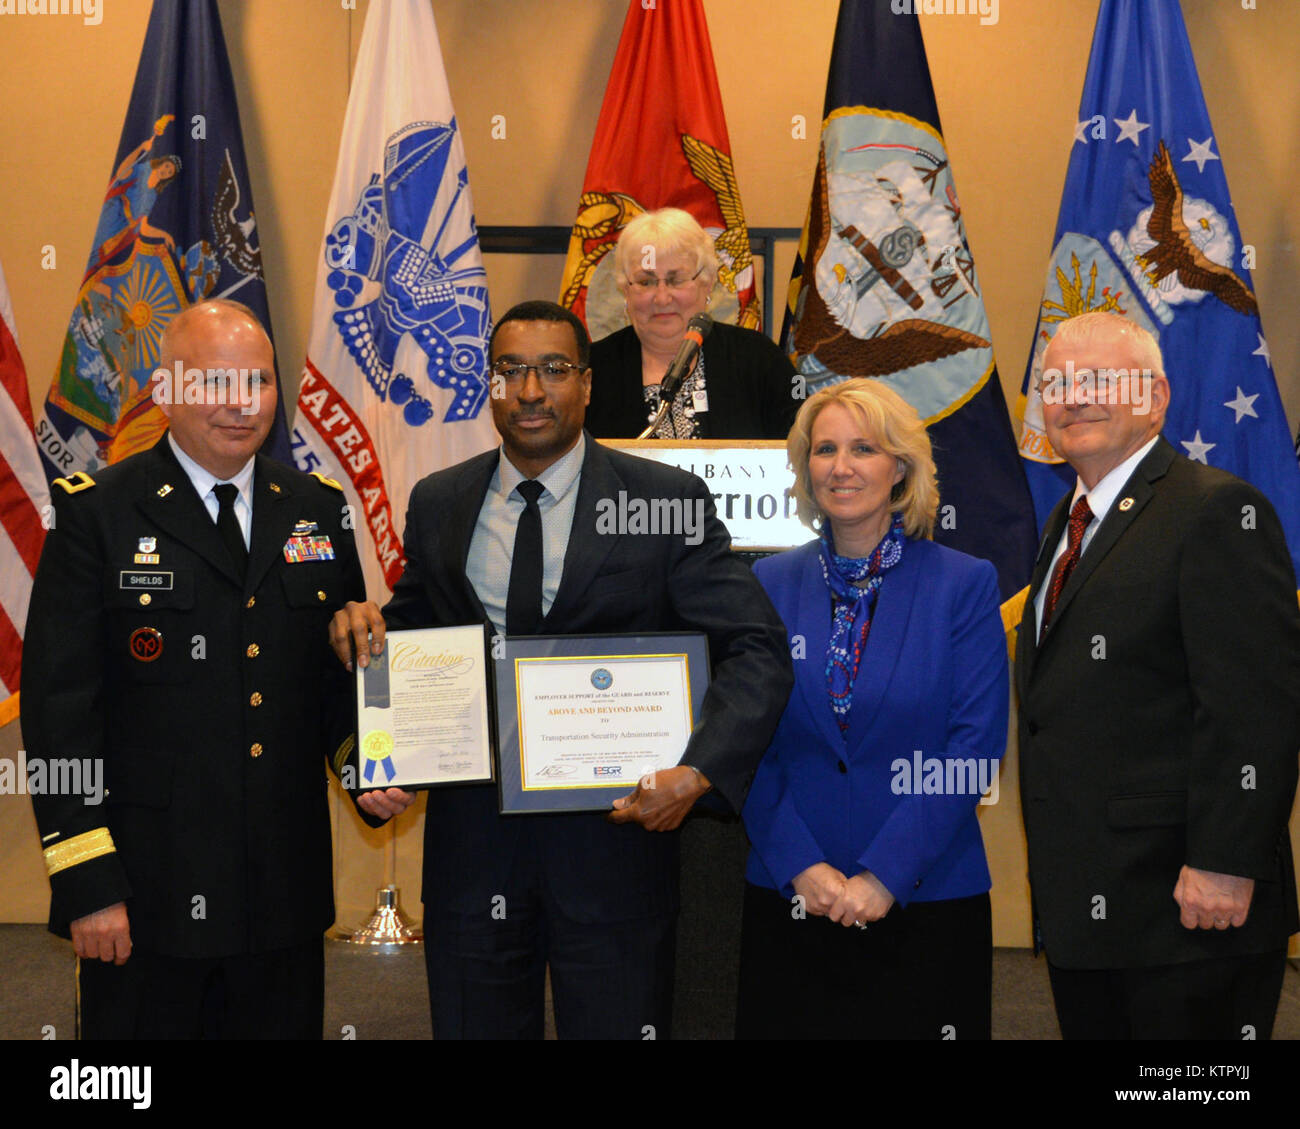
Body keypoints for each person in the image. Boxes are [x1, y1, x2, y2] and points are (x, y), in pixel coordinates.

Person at [330, 299, 793, 1040]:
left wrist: (700, 772)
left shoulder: (663, 501)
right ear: (489, 384)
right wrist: (366, 641)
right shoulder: (441, 500)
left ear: (587, 383)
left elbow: (756, 647)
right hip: (472, 857)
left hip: (616, 856)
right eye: (510, 370)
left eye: (553, 369)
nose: (530, 390)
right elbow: (416, 636)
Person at [21, 299, 388, 1039]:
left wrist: (371, 769)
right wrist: (88, 881)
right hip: (147, 896)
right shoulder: (98, 515)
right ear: (165, 391)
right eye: (214, 382)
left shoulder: (316, 509)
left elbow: (335, 682)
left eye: (258, 381)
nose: (240, 403)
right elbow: (61, 713)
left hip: (281, 895)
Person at [1017, 312, 1300, 1039]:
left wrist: (1226, 861)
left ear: (1156, 396)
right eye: (1057, 383)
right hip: (1090, 907)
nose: (1075, 396)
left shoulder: (1216, 510)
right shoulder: (1066, 524)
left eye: (1100, 379)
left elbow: (1255, 706)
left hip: (1188, 910)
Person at [736, 378, 1008, 1040]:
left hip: (926, 896)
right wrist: (800, 864)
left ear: (901, 467)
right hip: (793, 894)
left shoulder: (964, 583)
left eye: (863, 448)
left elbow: (973, 749)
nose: (841, 466)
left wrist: (887, 873)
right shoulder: (767, 584)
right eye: (824, 449)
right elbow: (744, 742)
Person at [584, 208, 798, 440]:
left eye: (676, 280)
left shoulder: (759, 357)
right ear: (625, 290)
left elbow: (805, 432)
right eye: (646, 282)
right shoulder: (591, 371)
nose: (662, 298)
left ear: (707, 283)